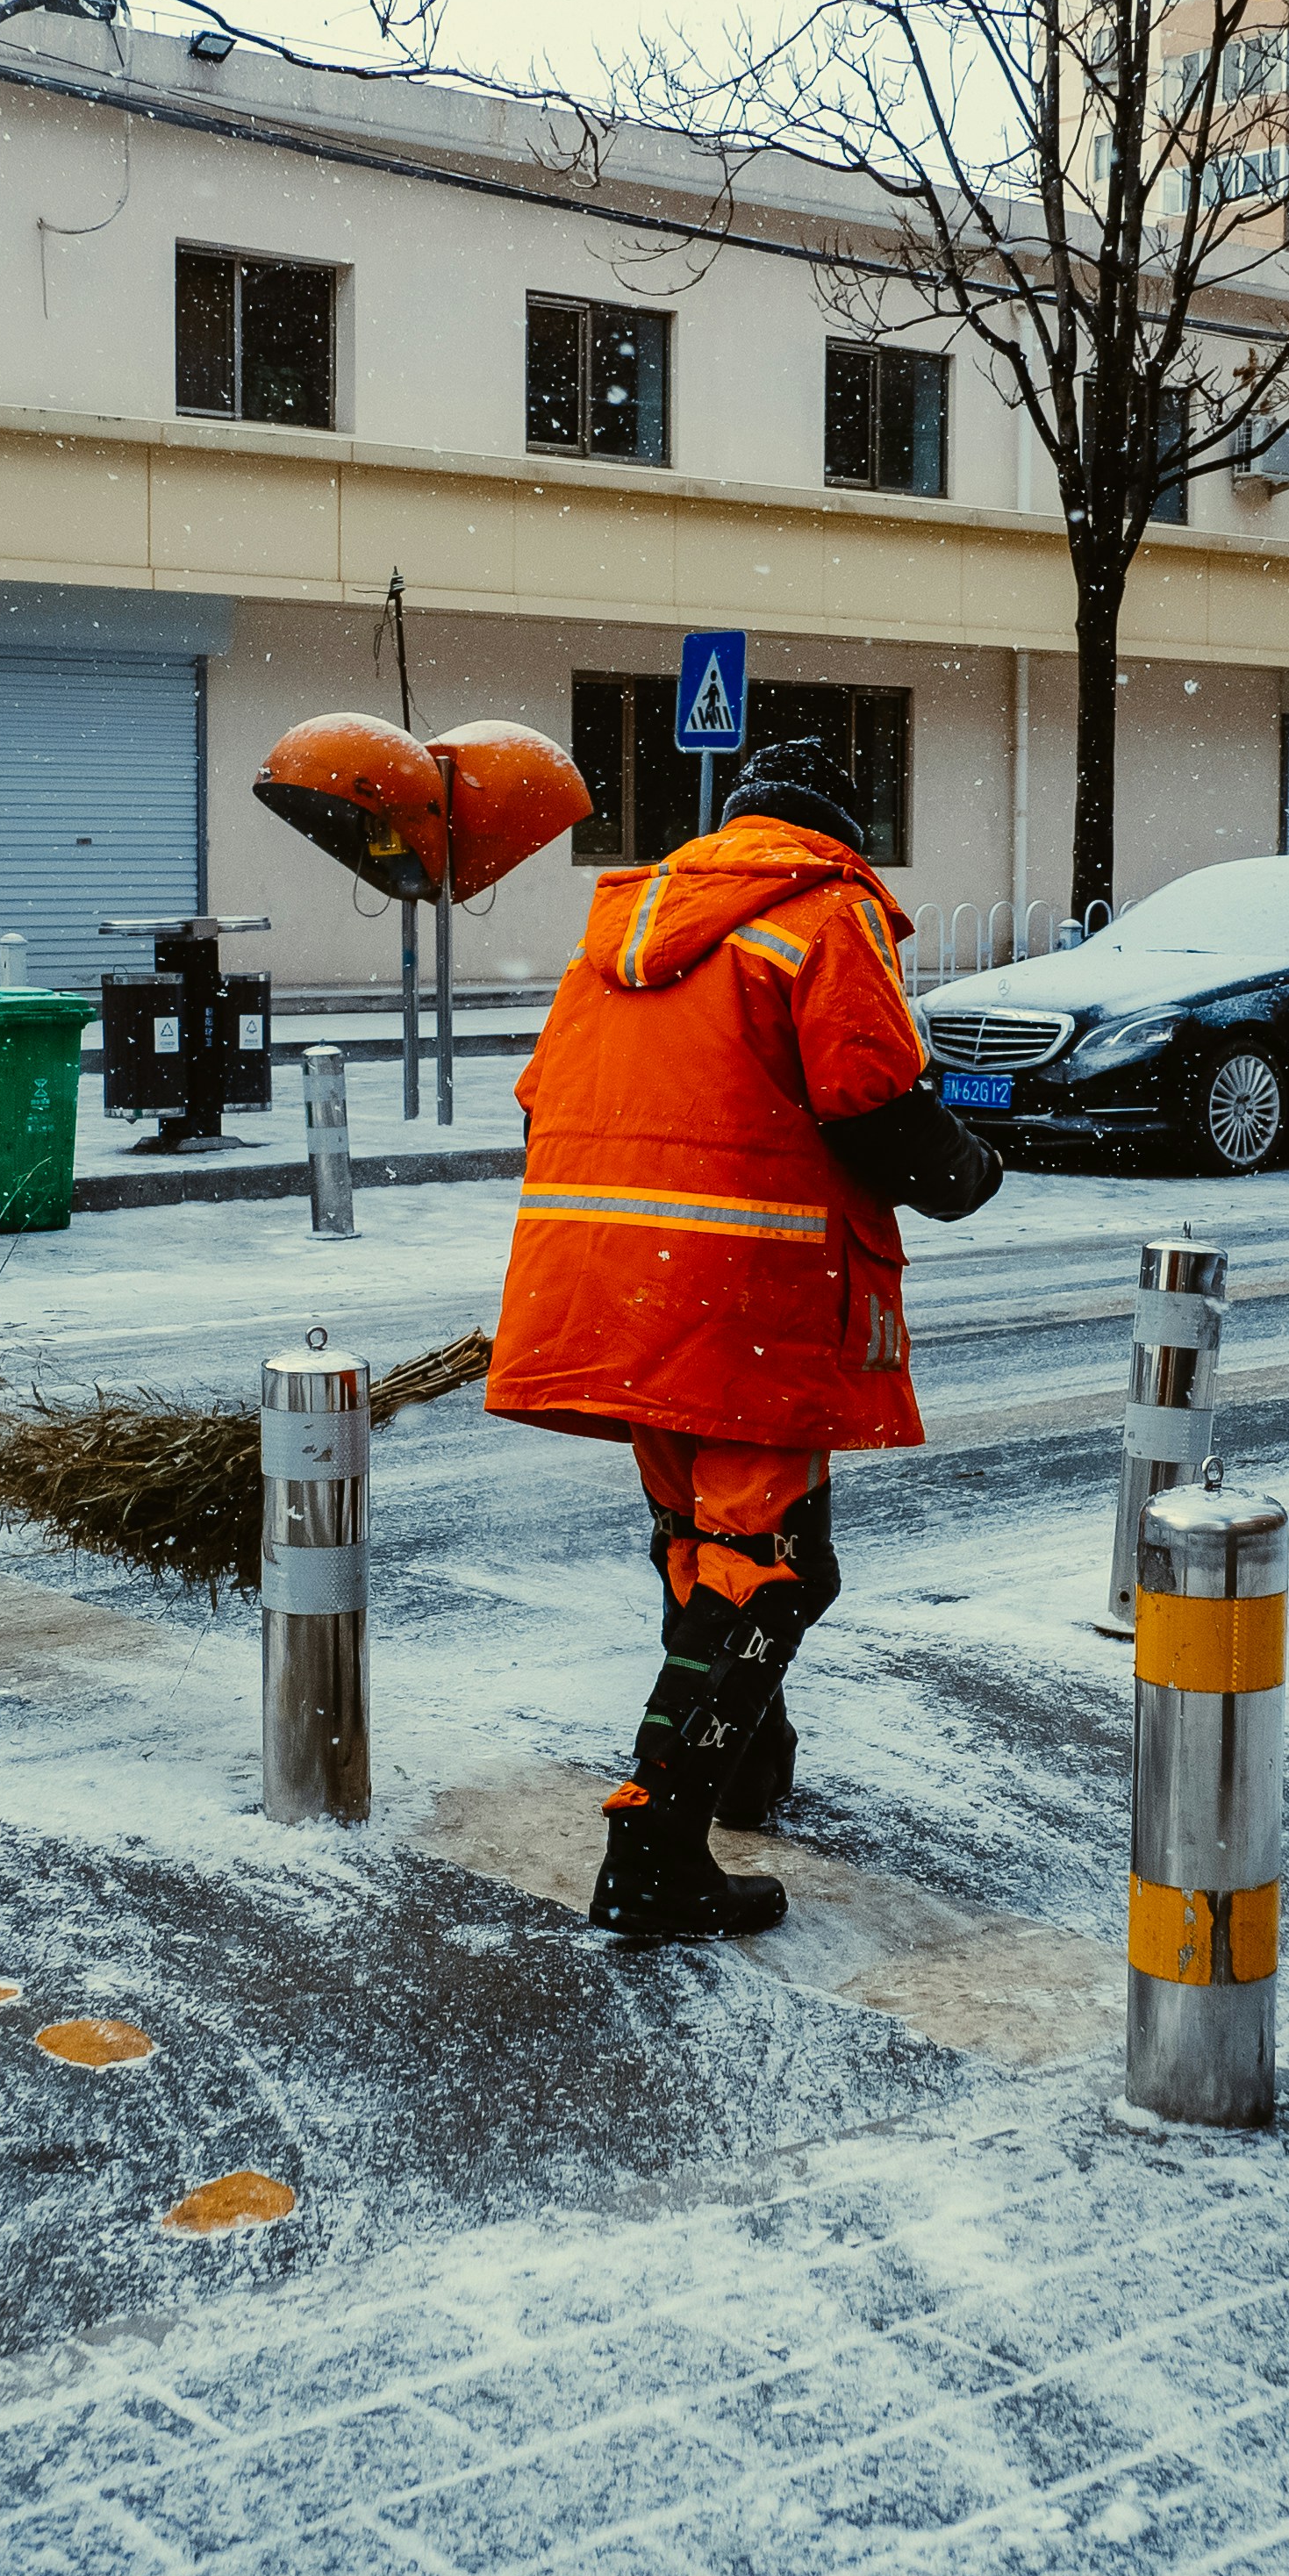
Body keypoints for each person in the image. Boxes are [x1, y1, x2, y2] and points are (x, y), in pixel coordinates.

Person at [485, 735, 1004, 1940]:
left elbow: (543, 1098)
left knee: (696, 1543)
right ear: (837, 829)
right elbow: (872, 1100)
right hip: (743, 1290)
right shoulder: (825, 910)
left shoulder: (622, 924)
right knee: (774, 1567)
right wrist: (968, 1169)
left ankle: (743, 1767)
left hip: (609, 1276)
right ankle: (657, 1839)